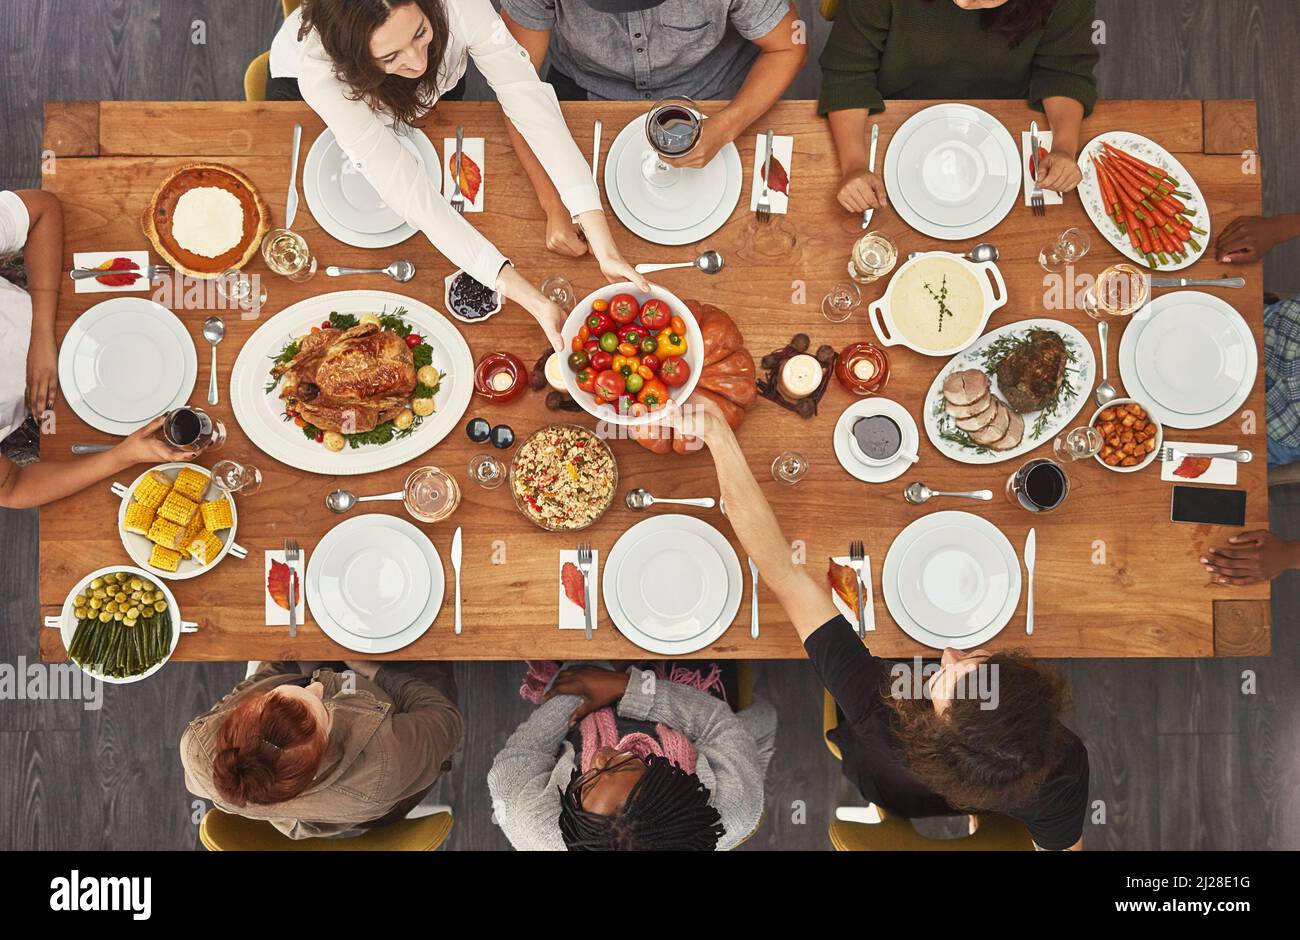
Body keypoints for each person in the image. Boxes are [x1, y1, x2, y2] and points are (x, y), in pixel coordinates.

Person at [658, 397, 1089, 850]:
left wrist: (719, 436)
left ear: (931, 726)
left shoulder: (879, 706)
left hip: (889, 790)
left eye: (945, 677)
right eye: (978, 662)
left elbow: (783, 572)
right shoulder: (1063, 769)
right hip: (952, 793)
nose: (947, 652)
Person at [265, 0, 647, 351]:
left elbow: (527, 98)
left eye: (420, 33)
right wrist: (530, 297)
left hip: (423, 93)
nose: (417, 62)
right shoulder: (323, 76)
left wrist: (603, 243)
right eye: (392, 55)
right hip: (316, 96)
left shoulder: (457, 5)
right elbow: (415, 198)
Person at [499, 0, 806, 256]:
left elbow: (790, 45)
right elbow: (516, 87)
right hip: (588, 92)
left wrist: (726, 127)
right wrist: (554, 202)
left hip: (711, 91)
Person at [0, 189, 192, 510]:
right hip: (55, 412)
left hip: (60, 304)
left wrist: (41, 336)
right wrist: (123, 455)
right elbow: (12, 489)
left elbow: (41, 209)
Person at [819, 0, 1099, 215]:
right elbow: (848, 72)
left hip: (1004, 119)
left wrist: (1063, 147)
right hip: (892, 113)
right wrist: (854, 165)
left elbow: (1064, 71)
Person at [488, 659, 776, 850]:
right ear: (672, 778)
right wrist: (628, 687)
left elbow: (524, 753)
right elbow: (718, 724)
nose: (602, 755)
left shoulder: (532, 823)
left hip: (577, 714)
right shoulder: (733, 804)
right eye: (622, 765)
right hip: (691, 703)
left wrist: (587, 684)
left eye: (586, 782)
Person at [181, 660, 462, 839]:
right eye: (325, 713)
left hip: (303, 820)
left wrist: (293, 658)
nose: (316, 686)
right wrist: (371, 670)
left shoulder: (199, 748)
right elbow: (445, 717)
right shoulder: (386, 762)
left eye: (278, 695)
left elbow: (259, 684)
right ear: (320, 757)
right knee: (428, 658)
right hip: (379, 793)